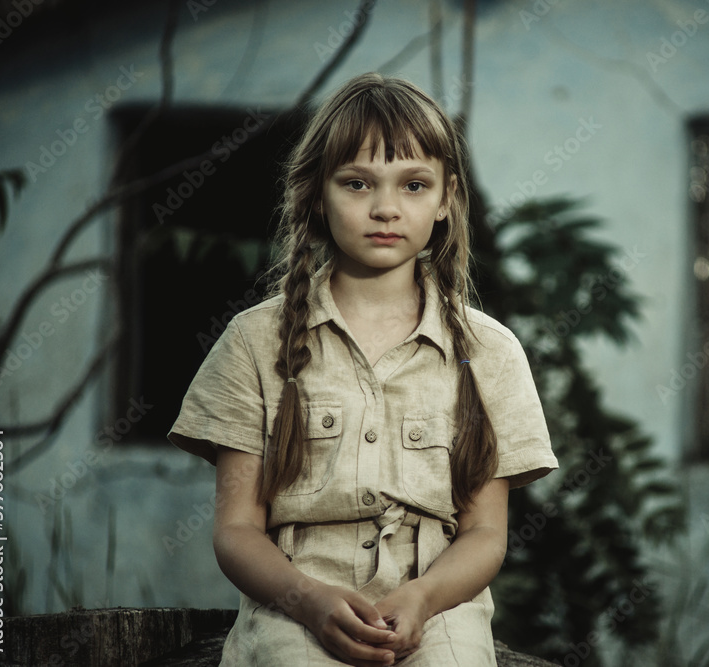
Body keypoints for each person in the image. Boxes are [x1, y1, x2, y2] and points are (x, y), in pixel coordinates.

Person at [167, 72, 558, 666]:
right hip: (293, 602)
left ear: (446, 198)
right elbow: (237, 531)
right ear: (315, 194)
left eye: (414, 185)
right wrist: (312, 601)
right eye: (357, 183)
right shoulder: (253, 342)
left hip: (441, 606)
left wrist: (423, 598)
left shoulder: (491, 352)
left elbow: (485, 534)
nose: (385, 208)